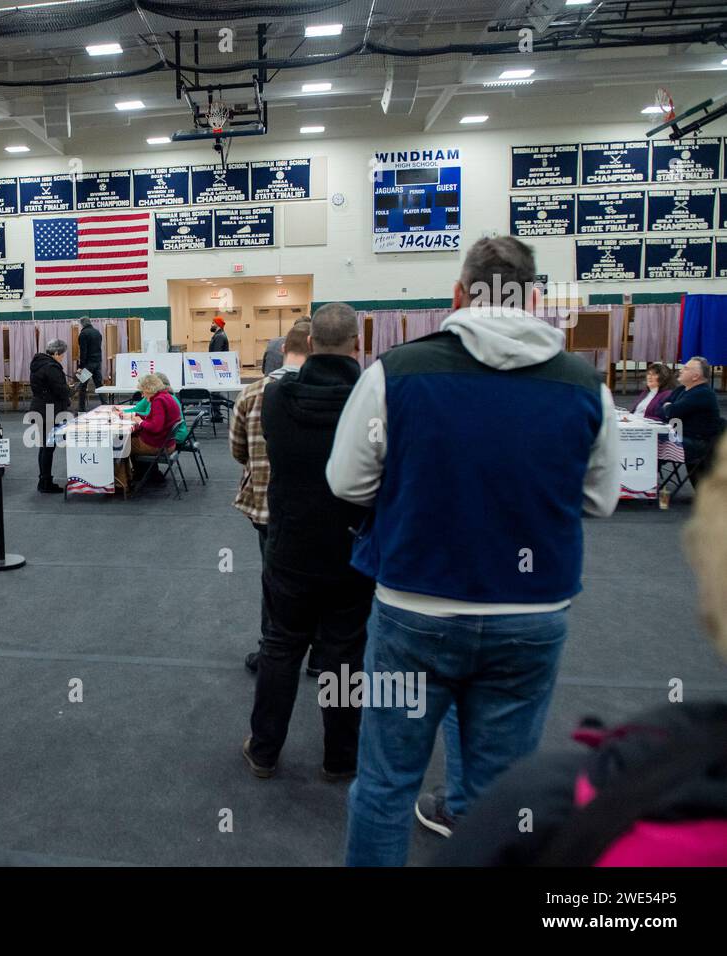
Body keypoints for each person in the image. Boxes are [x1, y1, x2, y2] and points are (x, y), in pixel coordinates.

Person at [327, 236, 621, 867]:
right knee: (499, 798)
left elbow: (347, 482)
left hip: (414, 606)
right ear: (534, 296)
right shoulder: (583, 384)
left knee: (384, 784)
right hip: (531, 614)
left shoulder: (395, 372)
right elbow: (600, 501)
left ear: (458, 295)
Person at [438, 445, 727, 866]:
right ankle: (464, 798)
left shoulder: (575, 799)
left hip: (458, 589)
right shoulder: (577, 393)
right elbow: (600, 494)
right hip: (535, 598)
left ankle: (461, 800)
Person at [243, 304, 373, 783]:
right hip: (352, 548)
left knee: (280, 648)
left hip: (291, 543)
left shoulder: (276, 399)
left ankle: (264, 751)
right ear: (357, 344)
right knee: (344, 657)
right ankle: (340, 758)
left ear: (309, 343)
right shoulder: (372, 400)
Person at [231, 320, 311, 674]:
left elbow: (238, 451)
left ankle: (273, 652)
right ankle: (323, 657)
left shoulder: (251, 394)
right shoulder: (340, 390)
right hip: (322, 507)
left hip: (266, 503)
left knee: (275, 579)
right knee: (323, 578)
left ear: (281, 350)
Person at [661, 356, 722, 480]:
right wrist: (668, 408)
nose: (681, 370)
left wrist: (668, 407)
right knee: (651, 441)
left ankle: (646, 487)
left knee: (653, 443)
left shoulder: (703, 393)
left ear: (695, 376)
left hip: (696, 444)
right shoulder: (682, 389)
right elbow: (660, 408)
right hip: (682, 436)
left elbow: (671, 411)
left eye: (686, 368)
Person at [30, 338, 71, 494]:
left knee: (45, 447)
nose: (62, 358)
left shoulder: (38, 364)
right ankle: (45, 482)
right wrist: (69, 390)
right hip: (50, 410)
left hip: (40, 408)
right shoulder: (51, 367)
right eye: (61, 355)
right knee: (48, 447)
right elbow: (61, 391)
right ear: (55, 353)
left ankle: (44, 479)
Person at [128, 371, 180, 485]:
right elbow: (155, 417)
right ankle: (143, 474)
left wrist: (141, 422)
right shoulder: (166, 396)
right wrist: (137, 416)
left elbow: (156, 427)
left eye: (143, 392)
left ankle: (124, 481)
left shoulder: (158, 401)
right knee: (130, 439)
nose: (142, 395)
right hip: (168, 443)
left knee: (123, 444)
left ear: (149, 389)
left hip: (158, 445)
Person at [76, 316, 103, 413]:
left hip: (88, 365)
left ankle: (82, 409)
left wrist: (80, 367)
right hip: (97, 362)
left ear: (82, 324)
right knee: (100, 386)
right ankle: (105, 405)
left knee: (82, 386)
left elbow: (84, 352)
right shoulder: (98, 333)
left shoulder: (83, 334)